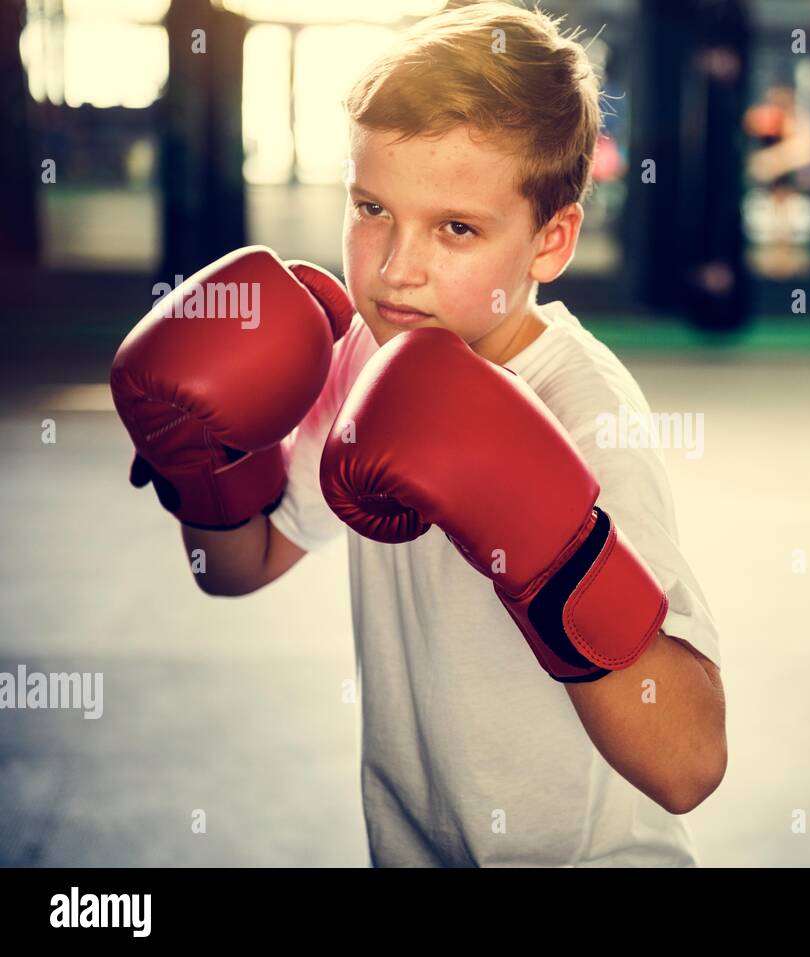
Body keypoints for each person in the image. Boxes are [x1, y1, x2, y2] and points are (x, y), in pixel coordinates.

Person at [114, 0, 725, 867]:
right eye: (371, 208)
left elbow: (689, 763)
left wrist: (547, 546)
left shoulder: (585, 410)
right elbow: (234, 567)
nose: (398, 269)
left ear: (550, 243)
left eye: (458, 228)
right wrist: (200, 465)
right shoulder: (363, 356)